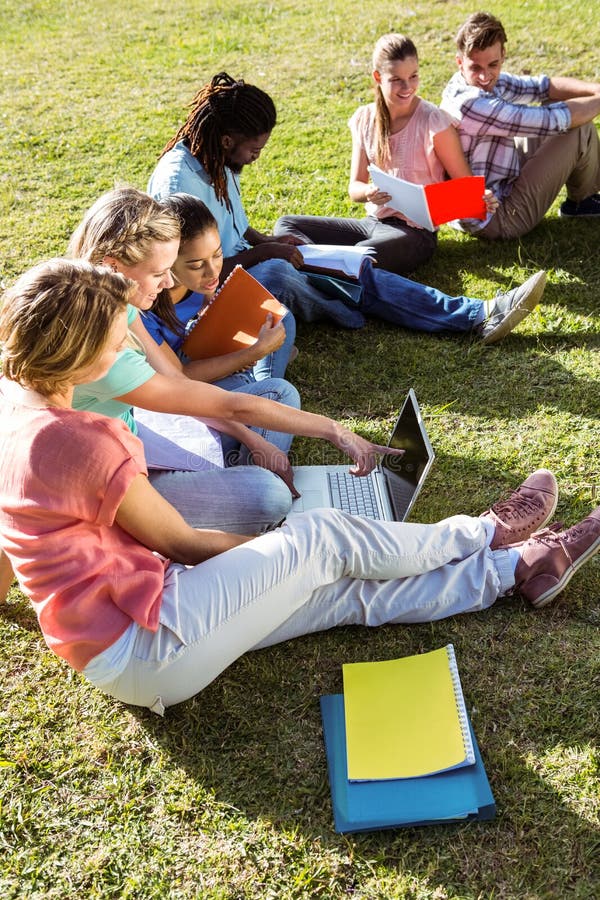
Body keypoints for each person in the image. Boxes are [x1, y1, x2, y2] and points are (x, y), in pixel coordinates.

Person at [3, 259, 600, 714]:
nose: (125, 345)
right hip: (149, 641)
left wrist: (280, 572)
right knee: (320, 541)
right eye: (115, 341)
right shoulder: (80, 441)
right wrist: (281, 553)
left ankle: (517, 569)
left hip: (125, 634)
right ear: (77, 356)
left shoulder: (14, 410)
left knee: (337, 592)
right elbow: (181, 545)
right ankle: (484, 531)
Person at [148, 72, 545, 344]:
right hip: (203, 297)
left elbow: (235, 228)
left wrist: (267, 239)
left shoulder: (218, 159)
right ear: (225, 139)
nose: (255, 159)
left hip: (239, 267)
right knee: (281, 271)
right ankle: (351, 307)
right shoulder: (177, 183)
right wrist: (268, 251)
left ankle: (473, 313)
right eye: (253, 149)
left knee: (350, 267)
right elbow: (189, 274)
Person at [275, 33, 497, 275]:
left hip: (415, 234)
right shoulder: (364, 118)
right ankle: (321, 268)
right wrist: (369, 193)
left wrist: (481, 197)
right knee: (286, 225)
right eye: (397, 80)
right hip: (372, 224)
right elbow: (355, 187)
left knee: (362, 253)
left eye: (413, 76)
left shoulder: (434, 121)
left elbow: (465, 185)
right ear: (378, 77)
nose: (408, 87)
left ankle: (313, 268)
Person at [441, 11, 600, 239]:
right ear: (460, 63)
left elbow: (542, 87)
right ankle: (582, 203)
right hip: (495, 216)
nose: (485, 76)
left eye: (493, 65)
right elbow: (555, 120)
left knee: (560, 104)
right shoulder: (469, 103)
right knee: (578, 128)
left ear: (503, 55)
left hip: (494, 188)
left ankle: (584, 199)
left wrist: (596, 89)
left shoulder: (476, 82)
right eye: (476, 68)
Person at [142, 193, 296, 389]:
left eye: (218, 255)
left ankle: (262, 385)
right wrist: (250, 354)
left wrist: (238, 349)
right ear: (167, 260)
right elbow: (179, 376)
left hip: (200, 346)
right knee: (279, 391)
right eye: (197, 265)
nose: (214, 271)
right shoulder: (146, 304)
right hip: (176, 372)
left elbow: (211, 311)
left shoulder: (199, 282)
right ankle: (262, 387)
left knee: (279, 317)